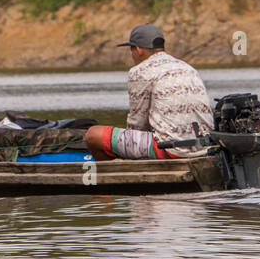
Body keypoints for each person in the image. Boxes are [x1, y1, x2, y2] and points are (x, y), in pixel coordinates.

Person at [84, 24, 214, 160]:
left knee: (93, 134)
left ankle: (117, 176)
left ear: (139, 49)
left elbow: (137, 125)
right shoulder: (187, 68)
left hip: (172, 150)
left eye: (131, 50)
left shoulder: (140, 71)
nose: (132, 55)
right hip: (203, 147)